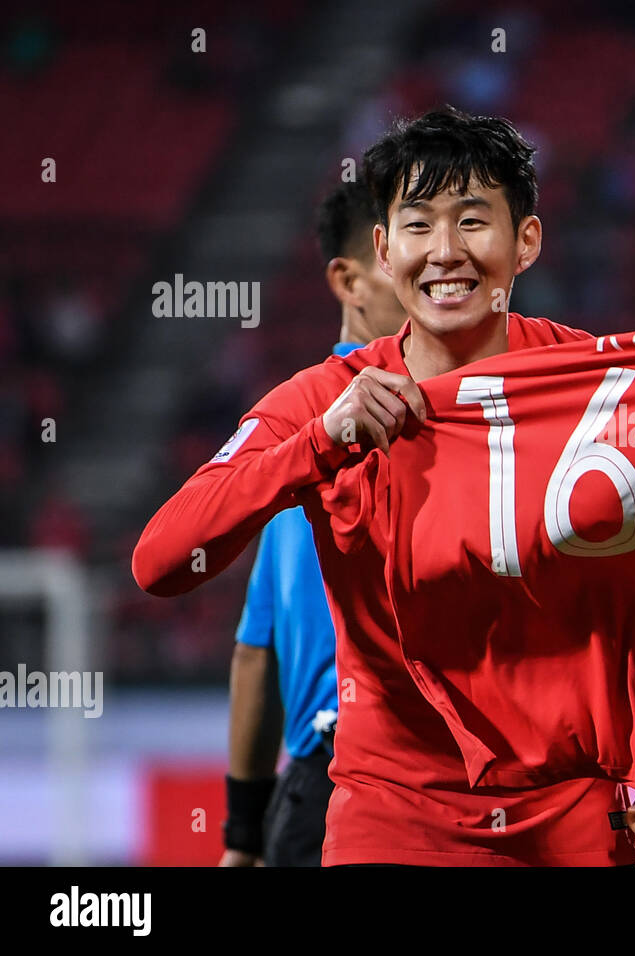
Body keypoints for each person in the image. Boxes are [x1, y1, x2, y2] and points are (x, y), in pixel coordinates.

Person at [136, 107, 635, 864]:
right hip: (390, 818)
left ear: (527, 242)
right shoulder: (328, 398)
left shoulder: (593, 386)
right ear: (383, 252)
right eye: (417, 227)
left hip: (568, 817)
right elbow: (160, 560)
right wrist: (319, 445)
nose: (445, 253)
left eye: (473, 222)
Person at [219, 182, 407, 868]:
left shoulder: (294, 429)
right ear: (348, 278)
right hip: (342, 776)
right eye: (402, 246)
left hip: (377, 784)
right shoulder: (318, 426)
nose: (429, 267)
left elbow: (255, 649)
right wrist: (243, 835)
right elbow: (255, 653)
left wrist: (243, 837)